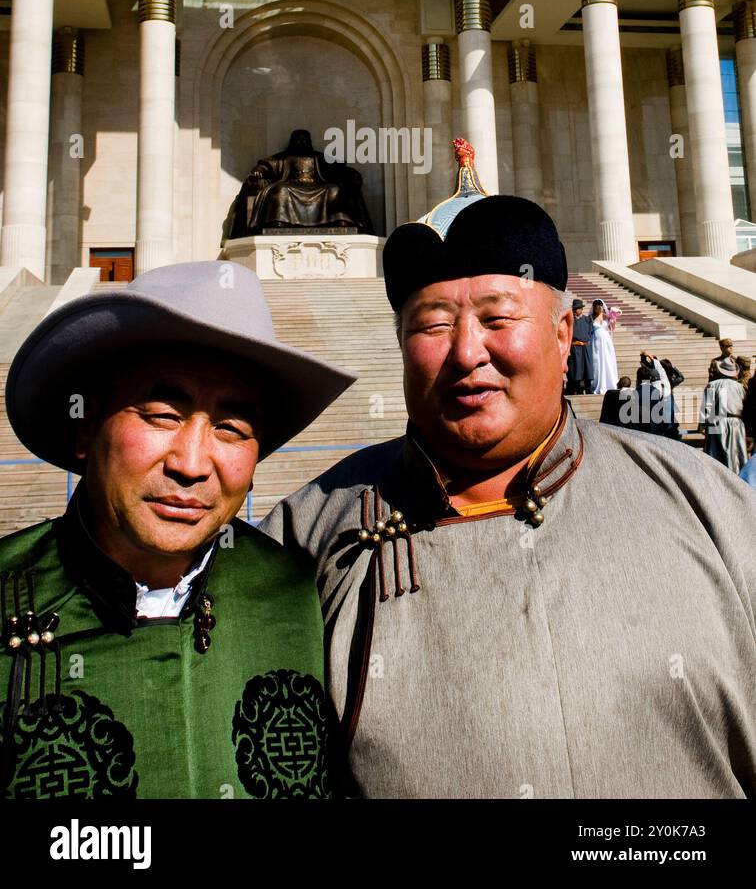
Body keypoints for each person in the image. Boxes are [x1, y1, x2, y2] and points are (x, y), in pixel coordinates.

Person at [260, 188, 756, 800]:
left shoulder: (710, 508)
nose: (468, 353)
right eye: (433, 325)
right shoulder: (300, 542)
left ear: (563, 331)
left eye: (498, 319)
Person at [0, 261, 355, 799]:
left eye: (231, 428)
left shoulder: (300, 595)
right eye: (162, 415)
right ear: (85, 429)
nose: (191, 463)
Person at [700, 358, 749, 474]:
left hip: (717, 421)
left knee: (716, 456)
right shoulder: (740, 387)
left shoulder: (712, 385)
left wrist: (703, 426)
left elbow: (707, 407)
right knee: (736, 456)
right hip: (737, 423)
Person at [590, 299, 619, 394]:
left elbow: (612, 327)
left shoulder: (607, 317)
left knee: (607, 360)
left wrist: (613, 316)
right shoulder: (591, 318)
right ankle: (596, 383)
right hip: (596, 342)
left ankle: (610, 382)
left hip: (606, 341)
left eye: (600, 306)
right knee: (597, 361)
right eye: (597, 306)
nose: (599, 308)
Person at [566, 298, 594, 394]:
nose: (576, 310)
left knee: (588, 367)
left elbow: (590, 332)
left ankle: (588, 387)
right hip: (575, 347)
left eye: (577, 308)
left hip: (586, 347)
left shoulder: (587, 319)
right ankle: (576, 388)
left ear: (581, 309)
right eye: (574, 308)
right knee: (576, 368)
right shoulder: (570, 320)